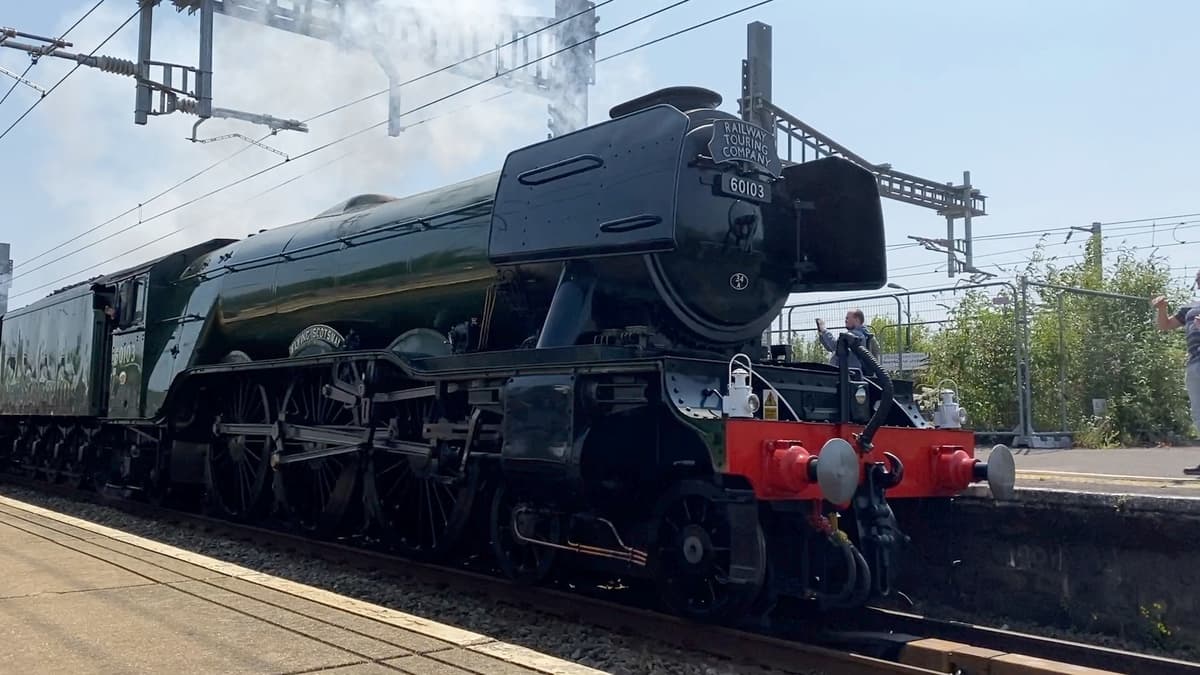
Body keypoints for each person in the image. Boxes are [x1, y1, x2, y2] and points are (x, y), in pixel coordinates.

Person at [1152, 278, 1200, 475]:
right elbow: (1165, 326)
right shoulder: (1189, 308)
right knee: (1198, 415)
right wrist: (1161, 308)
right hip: (1195, 364)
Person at [816, 308, 881, 372]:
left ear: (857, 320)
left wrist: (824, 330)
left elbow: (835, 346)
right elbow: (831, 348)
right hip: (846, 374)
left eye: (848, 318)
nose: (845, 320)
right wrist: (822, 334)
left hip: (849, 375)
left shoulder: (857, 335)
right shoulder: (861, 334)